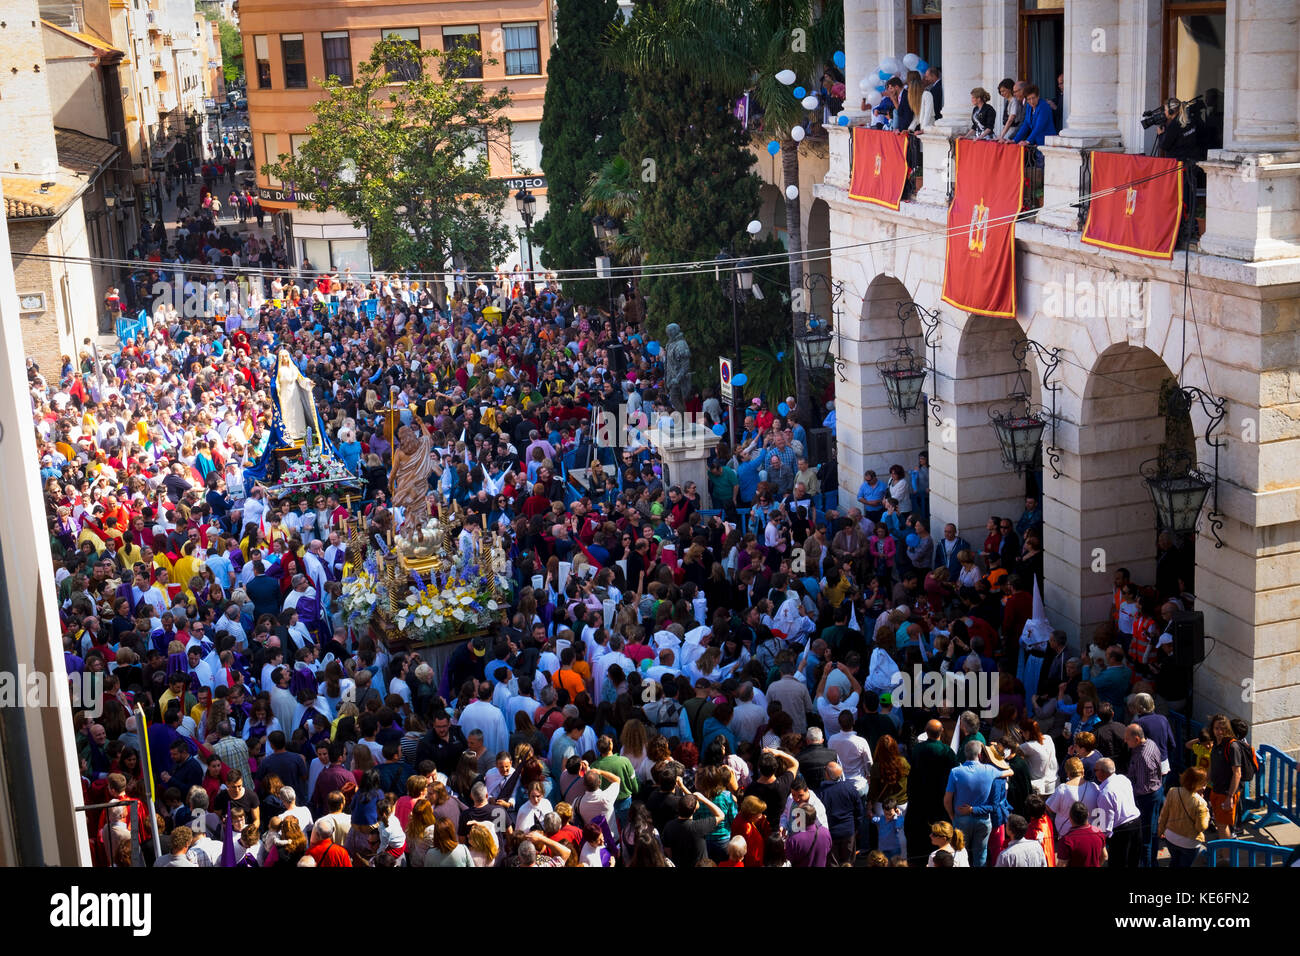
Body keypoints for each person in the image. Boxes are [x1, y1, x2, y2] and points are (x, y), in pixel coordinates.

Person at [1157, 766, 1210, 867]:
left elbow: (1163, 815)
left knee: (1174, 862)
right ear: (1198, 784)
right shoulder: (1200, 802)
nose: (1205, 786)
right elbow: (1201, 827)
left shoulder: (1173, 791)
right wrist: (1206, 812)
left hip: (1170, 837)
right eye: (1204, 783)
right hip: (1189, 843)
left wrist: (1160, 831)